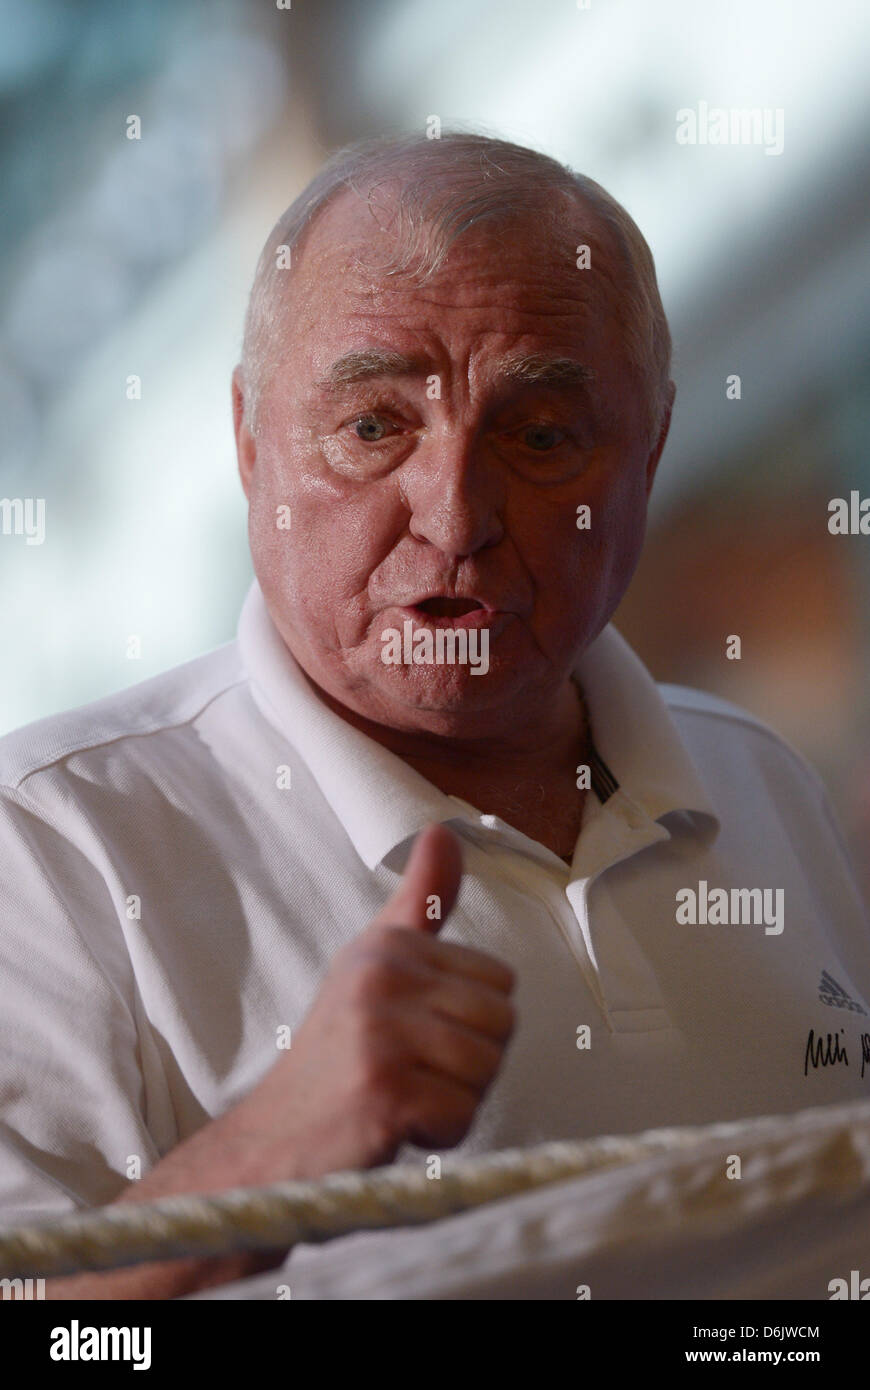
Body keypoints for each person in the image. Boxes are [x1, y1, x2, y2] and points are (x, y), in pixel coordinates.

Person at [1, 132, 867, 1301]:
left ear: (650, 454)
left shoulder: (760, 779)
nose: (456, 515)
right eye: (373, 426)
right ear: (252, 446)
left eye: (542, 434)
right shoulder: (50, 851)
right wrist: (264, 1158)